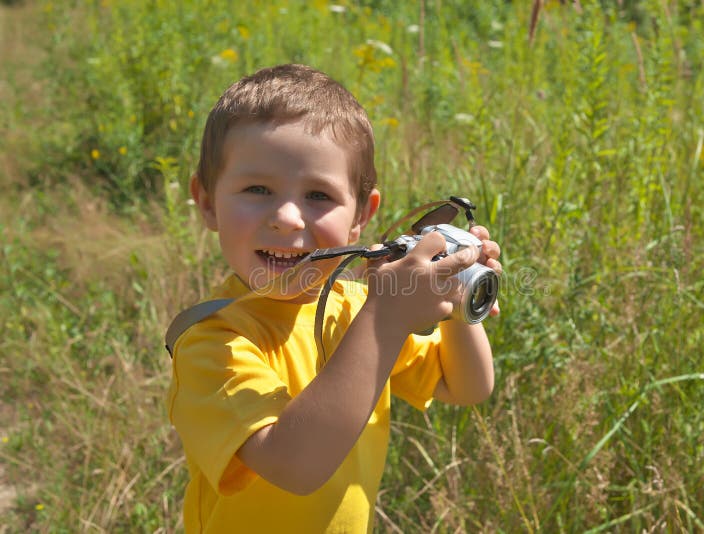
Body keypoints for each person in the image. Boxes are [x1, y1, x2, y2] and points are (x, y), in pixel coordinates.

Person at [167, 63, 502, 533]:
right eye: (257, 189)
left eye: (318, 195)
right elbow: (295, 467)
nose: (286, 216)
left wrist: (455, 300)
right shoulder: (210, 343)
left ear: (361, 215)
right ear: (206, 201)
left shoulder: (355, 308)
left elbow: (465, 387)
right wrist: (386, 317)